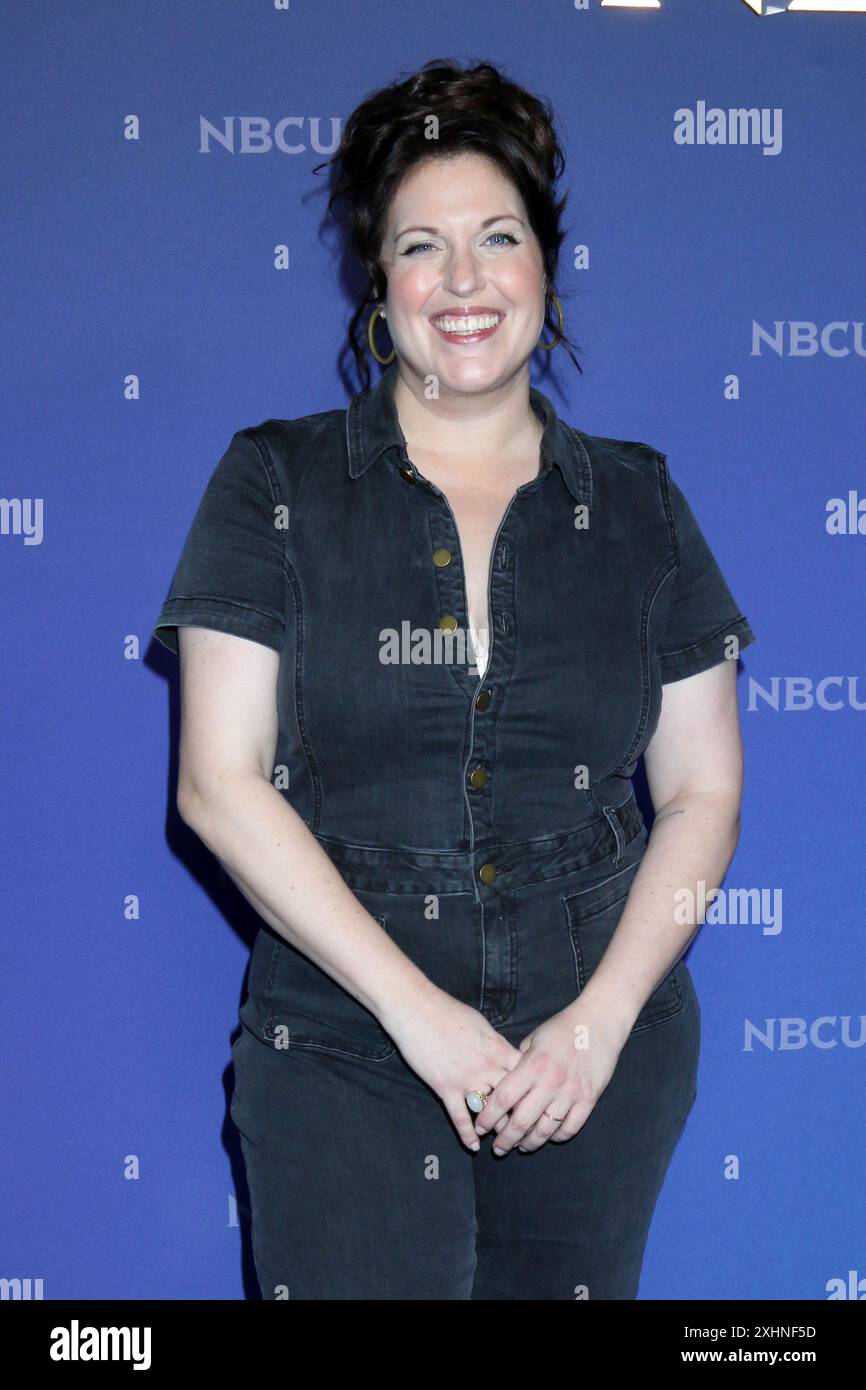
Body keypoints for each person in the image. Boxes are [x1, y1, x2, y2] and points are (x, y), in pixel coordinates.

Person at [152, 58, 757, 1300]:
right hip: (342, 1032)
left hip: (593, 1044)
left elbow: (700, 793)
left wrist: (591, 1031)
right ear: (378, 282)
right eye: (422, 246)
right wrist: (422, 1018)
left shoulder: (638, 501)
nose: (465, 281)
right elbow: (219, 784)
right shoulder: (274, 482)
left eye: (498, 236)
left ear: (546, 260)